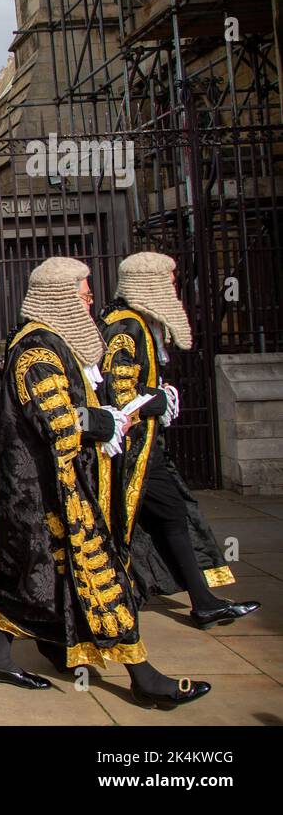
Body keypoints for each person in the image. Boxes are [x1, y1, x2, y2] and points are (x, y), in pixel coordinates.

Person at [0, 257, 210, 708]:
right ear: (60, 297)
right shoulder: (37, 349)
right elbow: (54, 421)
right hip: (47, 490)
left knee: (31, 575)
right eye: (83, 294)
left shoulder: (57, 341)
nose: (90, 300)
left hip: (58, 485)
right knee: (98, 575)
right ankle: (143, 675)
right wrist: (101, 422)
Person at [101, 252, 259, 629]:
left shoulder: (140, 323)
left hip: (148, 448)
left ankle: (202, 601)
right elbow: (120, 395)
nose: (174, 288)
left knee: (171, 517)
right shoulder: (126, 327)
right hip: (134, 452)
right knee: (142, 522)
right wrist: (160, 397)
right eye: (168, 281)